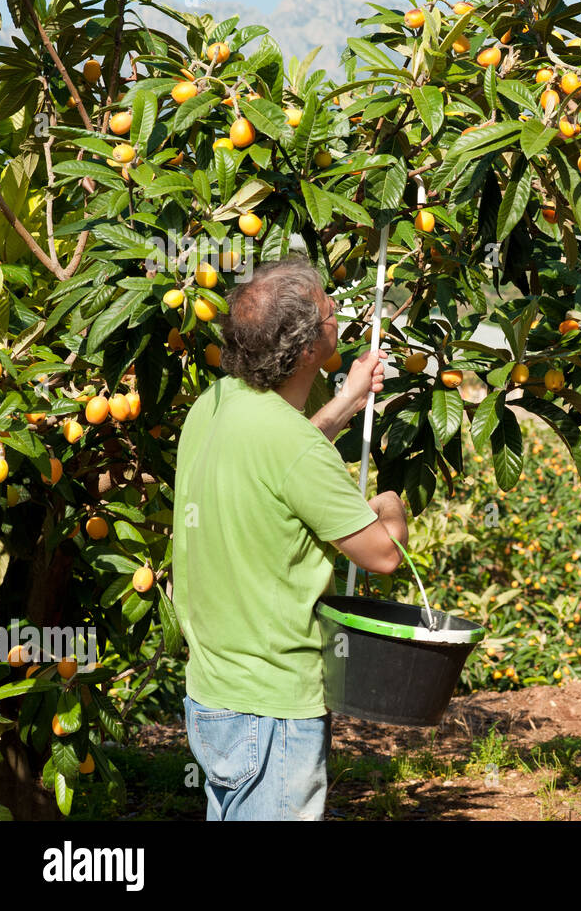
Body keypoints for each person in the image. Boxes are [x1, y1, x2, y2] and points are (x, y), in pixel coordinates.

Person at [171, 255, 408, 820]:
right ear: (305, 350)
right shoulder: (292, 448)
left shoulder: (216, 403)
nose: (338, 315)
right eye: (330, 311)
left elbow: (281, 455)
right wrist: (390, 508)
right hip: (272, 711)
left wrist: (349, 398)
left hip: (215, 697)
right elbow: (381, 556)